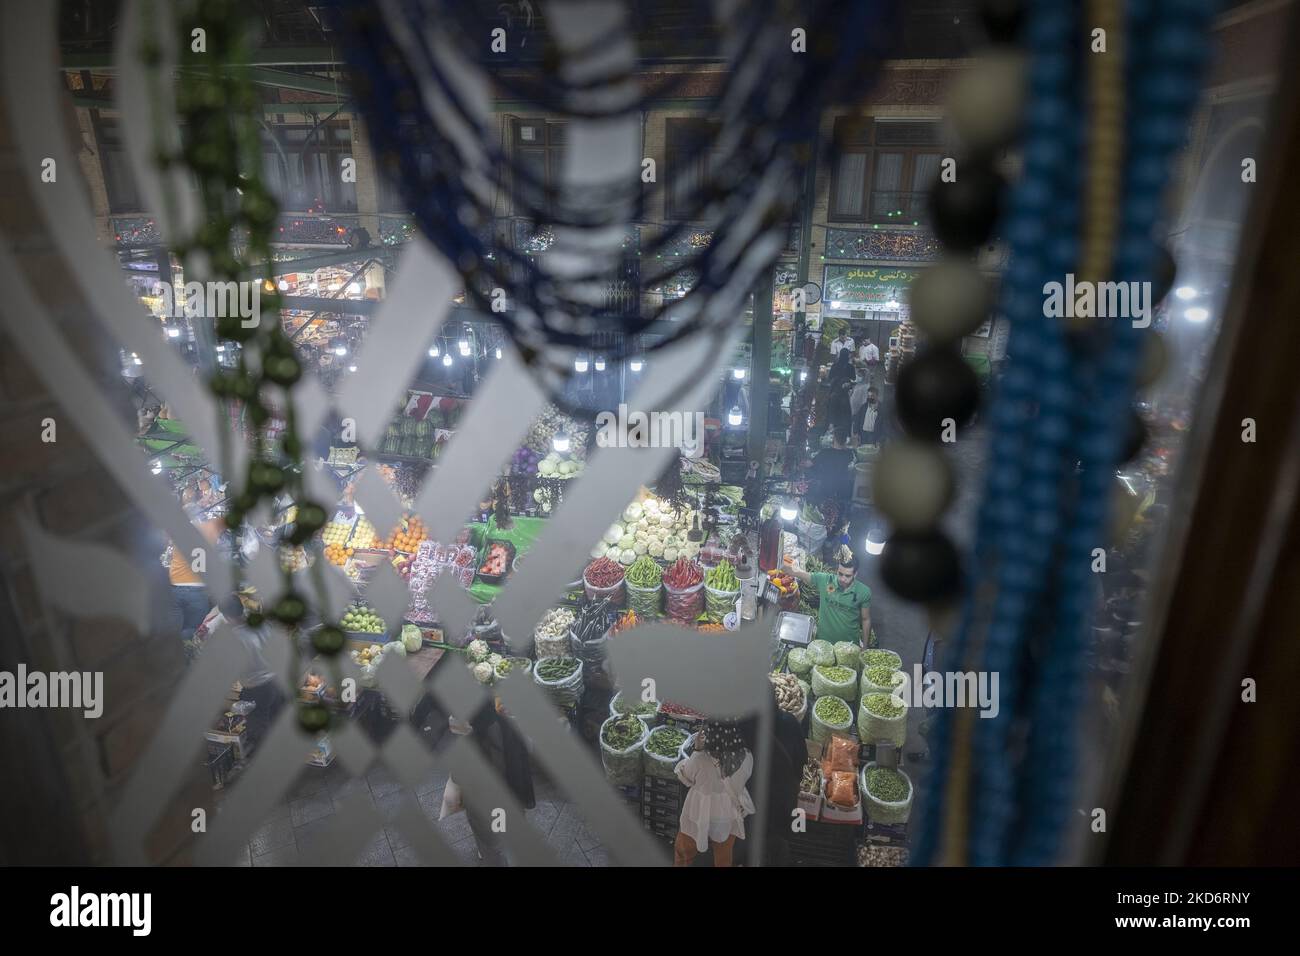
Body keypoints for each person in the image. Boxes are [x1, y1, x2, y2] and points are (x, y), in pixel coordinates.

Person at [738, 693, 808, 867]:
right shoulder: (789, 722)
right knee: (777, 843)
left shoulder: (744, 727)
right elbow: (801, 760)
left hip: (752, 803)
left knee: (749, 843)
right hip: (783, 800)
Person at [464, 697, 536, 866]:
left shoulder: (470, 738)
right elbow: (529, 748)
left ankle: (495, 852)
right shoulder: (506, 725)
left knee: (493, 838)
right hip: (512, 791)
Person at [674, 719, 755, 867]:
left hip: (698, 813)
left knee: (684, 852)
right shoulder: (746, 756)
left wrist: (697, 749)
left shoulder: (701, 759)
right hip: (727, 814)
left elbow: (685, 776)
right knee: (723, 858)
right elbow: (743, 779)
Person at [785, 548, 872, 648]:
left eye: (847, 576)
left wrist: (865, 647)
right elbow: (798, 573)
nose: (843, 579)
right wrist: (778, 562)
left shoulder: (864, 592)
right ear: (837, 570)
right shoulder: (825, 580)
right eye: (840, 574)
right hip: (823, 645)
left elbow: (866, 619)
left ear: (855, 574)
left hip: (849, 648)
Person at [808, 428, 855, 507]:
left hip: (826, 487)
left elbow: (809, 464)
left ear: (834, 439)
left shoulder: (825, 453)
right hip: (842, 489)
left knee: (826, 509)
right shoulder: (849, 454)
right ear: (845, 440)